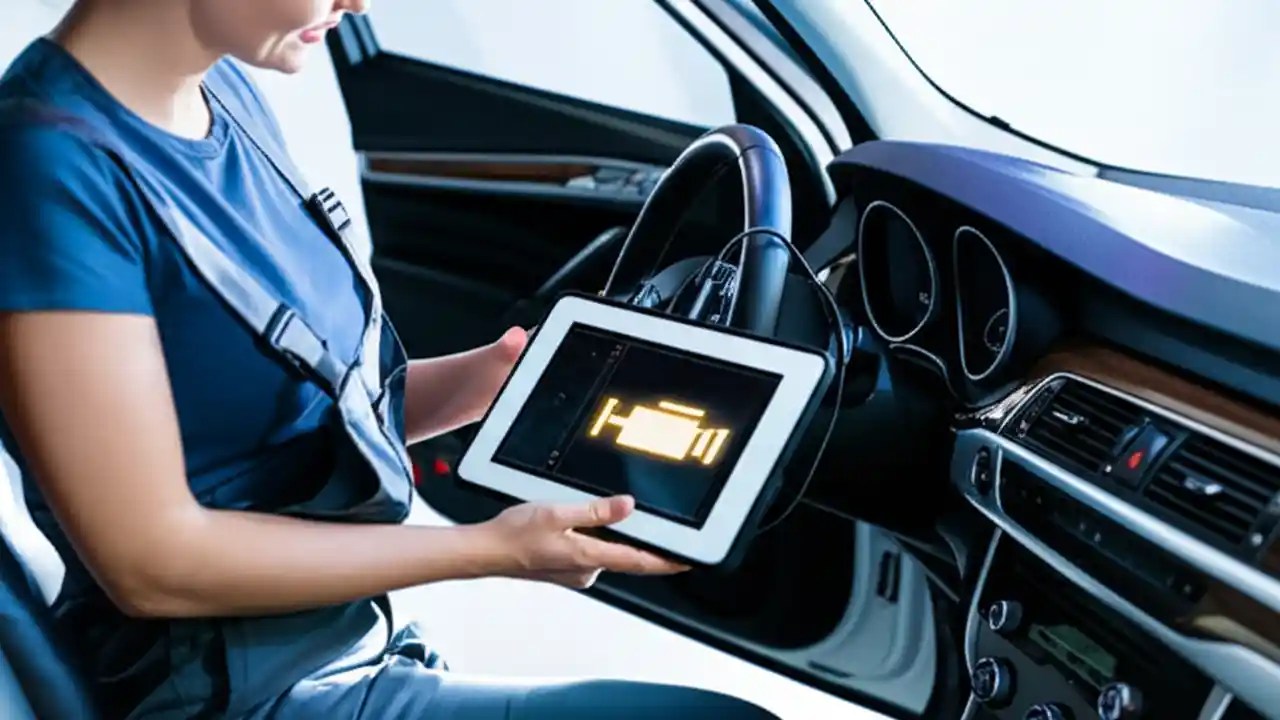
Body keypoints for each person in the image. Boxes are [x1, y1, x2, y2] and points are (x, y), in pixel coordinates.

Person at [0, 1, 781, 718]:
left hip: (339, 644)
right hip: (231, 694)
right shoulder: (48, 171)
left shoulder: (223, 89)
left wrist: (493, 379)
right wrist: (492, 550)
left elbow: (278, 439)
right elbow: (149, 564)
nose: (358, 2)